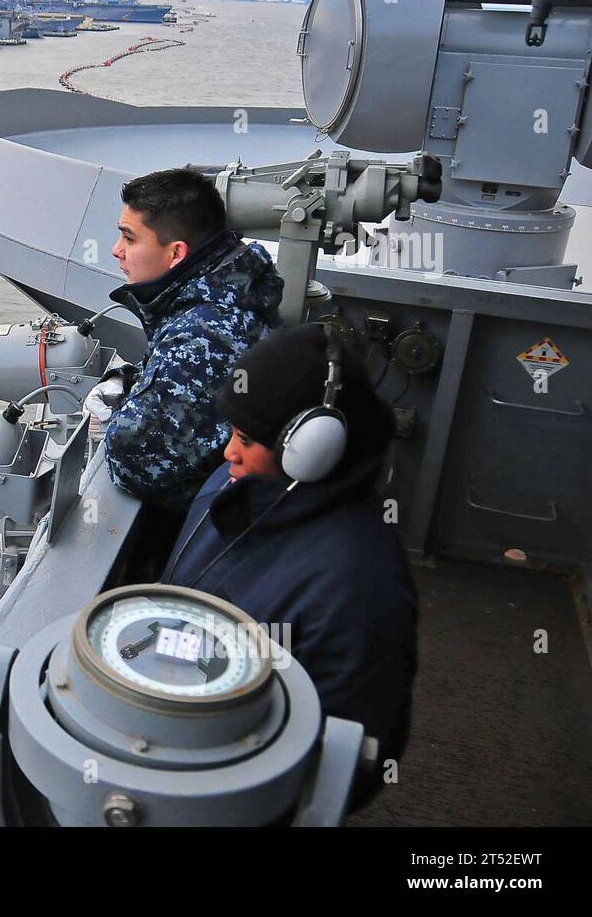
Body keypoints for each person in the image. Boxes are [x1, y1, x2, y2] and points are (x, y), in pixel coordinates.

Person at [161, 323, 418, 809]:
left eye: (244, 438)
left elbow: (349, 758)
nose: (227, 451)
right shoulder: (231, 486)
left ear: (311, 451)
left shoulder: (358, 586)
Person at [85, 166, 283, 561]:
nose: (115, 250)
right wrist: (130, 381)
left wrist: (108, 419)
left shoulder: (203, 332)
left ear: (176, 253)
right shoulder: (225, 291)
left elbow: (136, 460)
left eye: (128, 237)